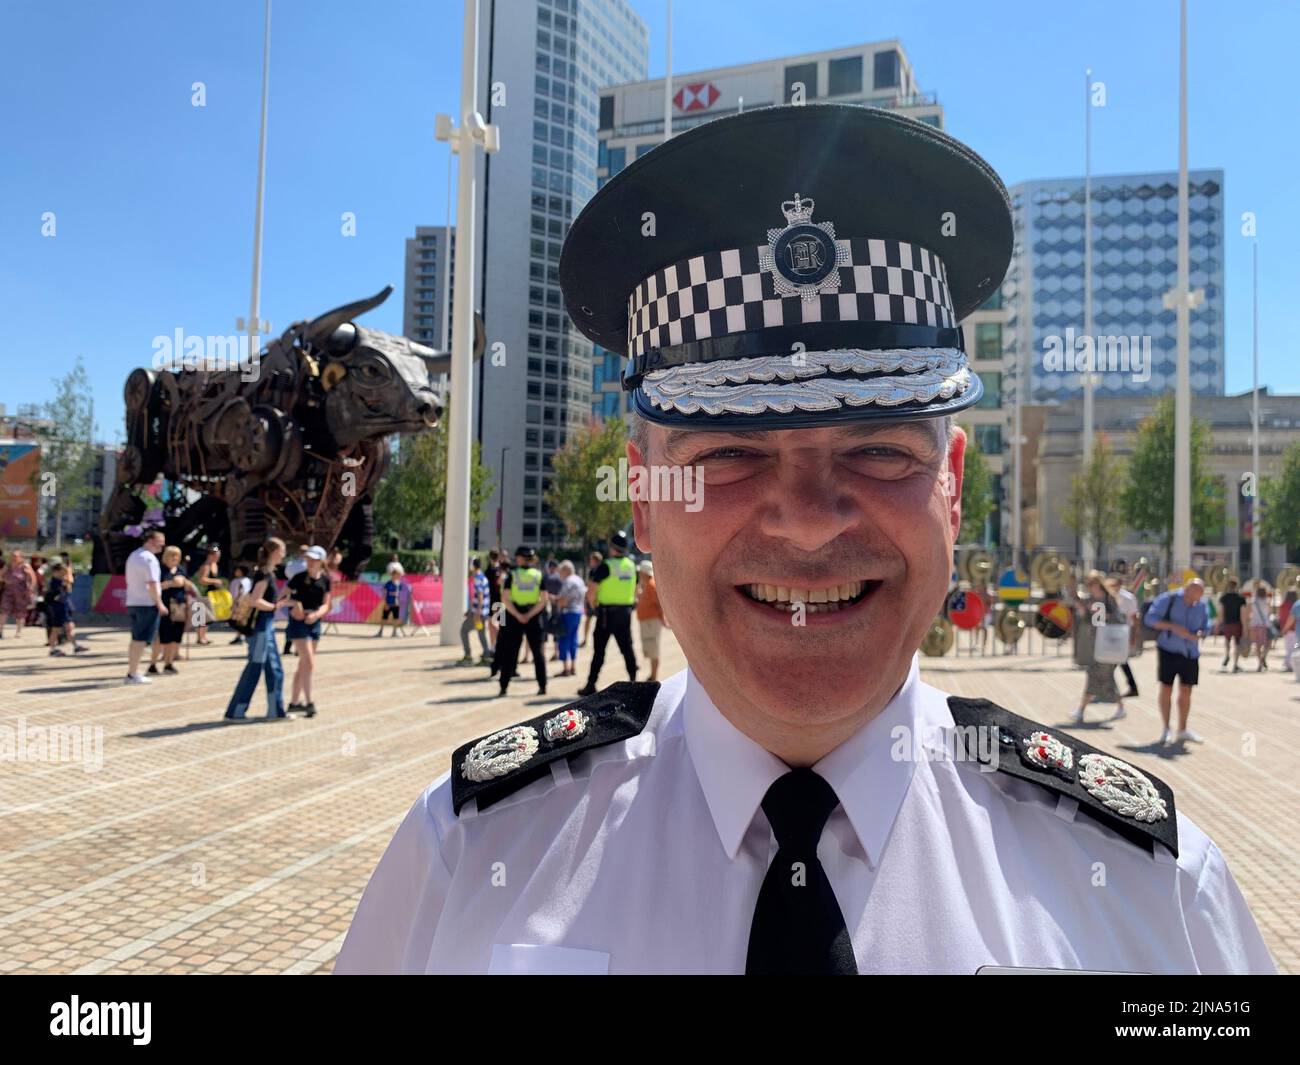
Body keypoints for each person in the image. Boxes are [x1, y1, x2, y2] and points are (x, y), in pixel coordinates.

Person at [337, 104, 1271, 975]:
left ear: (950, 491)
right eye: (730, 451)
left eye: (878, 446)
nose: (810, 515)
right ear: (646, 503)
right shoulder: (469, 859)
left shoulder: (1155, 904)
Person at [224, 537, 288, 721]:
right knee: (258, 667)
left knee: (271, 669)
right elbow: (255, 600)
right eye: (282, 550)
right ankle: (238, 711)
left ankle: (274, 711)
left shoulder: (267, 572)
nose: (284, 554)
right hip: (261, 628)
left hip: (264, 627)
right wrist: (274, 606)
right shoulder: (265, 574)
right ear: (275, 551)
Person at [1144, 578, 1212, 746]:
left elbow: (1207, 624)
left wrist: (1202, 632)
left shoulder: (1201, 605)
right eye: (1194, 596)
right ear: (1187, 590)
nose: (1196, 600)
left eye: (1199, 596)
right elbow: (1150, 619)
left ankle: (1182, 729)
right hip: (1169, 650)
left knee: (1186, 690)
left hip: (1191, 653)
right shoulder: (1169, 599)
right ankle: (1166, 728)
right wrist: (1173, 627)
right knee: (1166, 688)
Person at [576, 531, 638, 696]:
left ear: (612, 547)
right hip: (625, 613)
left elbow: (591, 592)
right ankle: (634, 681)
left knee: (599, 650)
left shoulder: (607, 566)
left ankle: (591, 684)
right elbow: (636, 588)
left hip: (606, 614)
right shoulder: (632, 566)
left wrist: (594, 606)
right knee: (627, 648)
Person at [1067, 571, 1127, 724]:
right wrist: (1082, 608)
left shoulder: (1109, 599)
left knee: (1094, 674)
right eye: (1088, 585)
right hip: (1096, 642)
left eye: (1092, 584)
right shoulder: (1091, 600)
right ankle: (1120, 708)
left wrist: (1105, 615)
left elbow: (1119, 618)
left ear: (1099, 584)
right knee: (1107, 677)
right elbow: (1087, 619)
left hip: (1108, 643)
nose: (1090, 587)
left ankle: (1081, 710)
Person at [491, 545, 548, 697]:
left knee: (510, 652)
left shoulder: (512, 575)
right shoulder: (538, 575)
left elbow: (505, 598)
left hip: (514, 615)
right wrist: (529, 615)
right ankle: (542, 686)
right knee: (538, 653)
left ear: (521, 558)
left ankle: (503, 687)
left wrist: (518, 614)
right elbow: (543, 600)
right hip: (534, 615)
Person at [287, 546, 333, 717]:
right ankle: (309, 702)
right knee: (309, 662)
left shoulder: (326, 580)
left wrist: (316, 615)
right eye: (308, 559)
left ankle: (293, 702)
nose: (310, 562)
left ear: (321, 561)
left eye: (313, 559)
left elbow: (326, 604)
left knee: (303, 664)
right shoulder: (298, 578)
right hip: (299, 622)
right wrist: (295, 606)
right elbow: (283, 598)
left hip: (314, 622)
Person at [124, 529, 166, 685]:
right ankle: (133, 673)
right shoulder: (149, 559)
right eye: (159, 542)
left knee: (136, 638)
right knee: (141, 640)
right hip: (147, 603)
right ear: (150, 541)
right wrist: (159, 603)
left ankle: (132, 671)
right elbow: (152, 583)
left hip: (133, 601)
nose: (162, 546)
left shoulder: (134, 555)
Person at [149, 545, 197, 675]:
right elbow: (154, 587)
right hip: (164, 605)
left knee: (176, 635)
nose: (175, 558)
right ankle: (153, 664)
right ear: (166, 557)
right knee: (161, 636)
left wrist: (186, 584)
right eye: (172, 555)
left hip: (179, 606)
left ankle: (169, 663)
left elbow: (188, 585)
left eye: (177, 556)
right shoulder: (160, 570)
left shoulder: (181, 570)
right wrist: (171, 583)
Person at [42, 561, 87, 656]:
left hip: (64, 607)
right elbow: (53, 596)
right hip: (57, 608)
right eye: (62, 571)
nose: (64, 574)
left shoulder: (61, 581)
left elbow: (69, 587)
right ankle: (52, 649)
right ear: (56, 572)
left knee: (69, 627)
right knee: (56, 629)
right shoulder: (54, 582)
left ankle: (75, 646)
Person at [1105, 575, 1139, 697]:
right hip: (1110, 633)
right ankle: (1131, 686)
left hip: (1123, 633)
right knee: (1118, 661)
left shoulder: (1128, 598)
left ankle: (1107, 687)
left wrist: (1133, 637)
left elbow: (1134, 619)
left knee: (1116, 661)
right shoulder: (1107, 597)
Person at [635, 559, 666, 683]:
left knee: (653, 648)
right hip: (648, 621)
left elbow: (659, 603)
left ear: (644, 573)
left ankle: (653, 676)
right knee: (651, 647)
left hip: (651, 621)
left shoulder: (651, 585)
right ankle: (652, 675)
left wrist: (663, 618)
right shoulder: (647, 584)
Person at [457, 558, 491, 666]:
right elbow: (478, 597)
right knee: (481, 633)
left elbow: (480, 596)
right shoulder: (483, 577)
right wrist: (471, 610)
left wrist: (477, 613)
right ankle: (486, 656)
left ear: (472, 566)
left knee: (464, 630)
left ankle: (468, 656)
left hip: (479, 614)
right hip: (483, 612)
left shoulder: (477, 578)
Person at [554, 559, 586, 677]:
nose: (560, 574)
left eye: (561, 571)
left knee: (564, 639)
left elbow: (563, 601)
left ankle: (565, 668)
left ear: (566, 570)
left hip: (568, 613)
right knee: (573, 639)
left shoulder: (568, 581)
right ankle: (573, 666)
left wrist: (555, 600)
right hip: (578, 612)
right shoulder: (579, 580)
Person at [1, 548, 38, 638]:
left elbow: (33, 579)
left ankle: (19, 631)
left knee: (20, 613)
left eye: (16, 556)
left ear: (21, 557)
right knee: (3, 611)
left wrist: (31, 590)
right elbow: (1, 576)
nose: (13, 558)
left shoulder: (25, 566)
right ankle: (0, 630)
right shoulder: (8, 566)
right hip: (9, 591)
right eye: (12, 556)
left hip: (21, 592)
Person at [191, 546, 223, 645]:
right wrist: (215, 581)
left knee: (207, 617)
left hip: (210, 595)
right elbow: (202, 580)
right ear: (210, 555)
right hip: (202, 594)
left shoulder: (214, 565)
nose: (218, 557)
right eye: (217, 555)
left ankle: (203, 636)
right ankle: (200, 637)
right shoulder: (206, 566)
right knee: (201, 617)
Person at [282, 544, 309, 655]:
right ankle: (298, 648)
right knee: (302, 621)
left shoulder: (291, 564)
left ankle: (288, 647)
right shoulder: (308, 566)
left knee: (292, 621)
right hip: (304, 595)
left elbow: (287, 576)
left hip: (293, 594)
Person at [1217, 577, 1245, 673]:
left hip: (1227, 623)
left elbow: (1221, 611)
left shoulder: (1224, 598)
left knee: (1227, 641)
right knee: (1237, 644)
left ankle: (1227, 654)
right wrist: (1244, 626)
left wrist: (1220, 623)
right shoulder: (1240, 598)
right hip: (1237, 623)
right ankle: (1235, 664)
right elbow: (1242, 613)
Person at [377, 563, 407, 637]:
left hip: (396, 604)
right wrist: (385, 603)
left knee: (395, 618)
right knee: (384, 618)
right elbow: (384, 594)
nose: (398, 576)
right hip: (388, 603)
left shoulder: (399, 584)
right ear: (393, 575)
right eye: (397, 575)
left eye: (399, 575)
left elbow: (401, 594)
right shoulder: (388, 584)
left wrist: (400, 600)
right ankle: (380, 632)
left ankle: (394, 632)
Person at [1247, 582, 1272, 672]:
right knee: (1267, 644)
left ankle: (1259, 662)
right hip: (1265, 625)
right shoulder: (1268, 601)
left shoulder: (1252, 601)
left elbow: (1249, 613)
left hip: (1255, 624)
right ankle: (1263, 657)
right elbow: (1269, 613)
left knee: (1257, 645)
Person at [580, 550, 601, 647]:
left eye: (591, 560)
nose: (590, 561)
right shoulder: (592, 571)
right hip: (591, 599)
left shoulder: (600, 571)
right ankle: (585, 639)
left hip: (598, 600)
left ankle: (596, 641)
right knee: (588, 620)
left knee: (599, 622)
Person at [228, 563, 253, 645]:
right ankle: (240, 636)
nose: (236, 572)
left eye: (238, 570)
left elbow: (241, 591)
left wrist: (237, 602)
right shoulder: (243, 580)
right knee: (239, 620)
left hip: (239, 602)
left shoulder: (241, 581)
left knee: (238, 620)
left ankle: (241, 636)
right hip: (240, 602)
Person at [1281, 589, 1297, 673]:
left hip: (1286, 629)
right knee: (1294, 648)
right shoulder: (1296, 605)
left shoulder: (1283, 605)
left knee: (1288, 648)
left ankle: (1288, 664)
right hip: (1295, 629)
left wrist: (1284, 628)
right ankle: (1291, 664)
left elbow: (1281, 617)